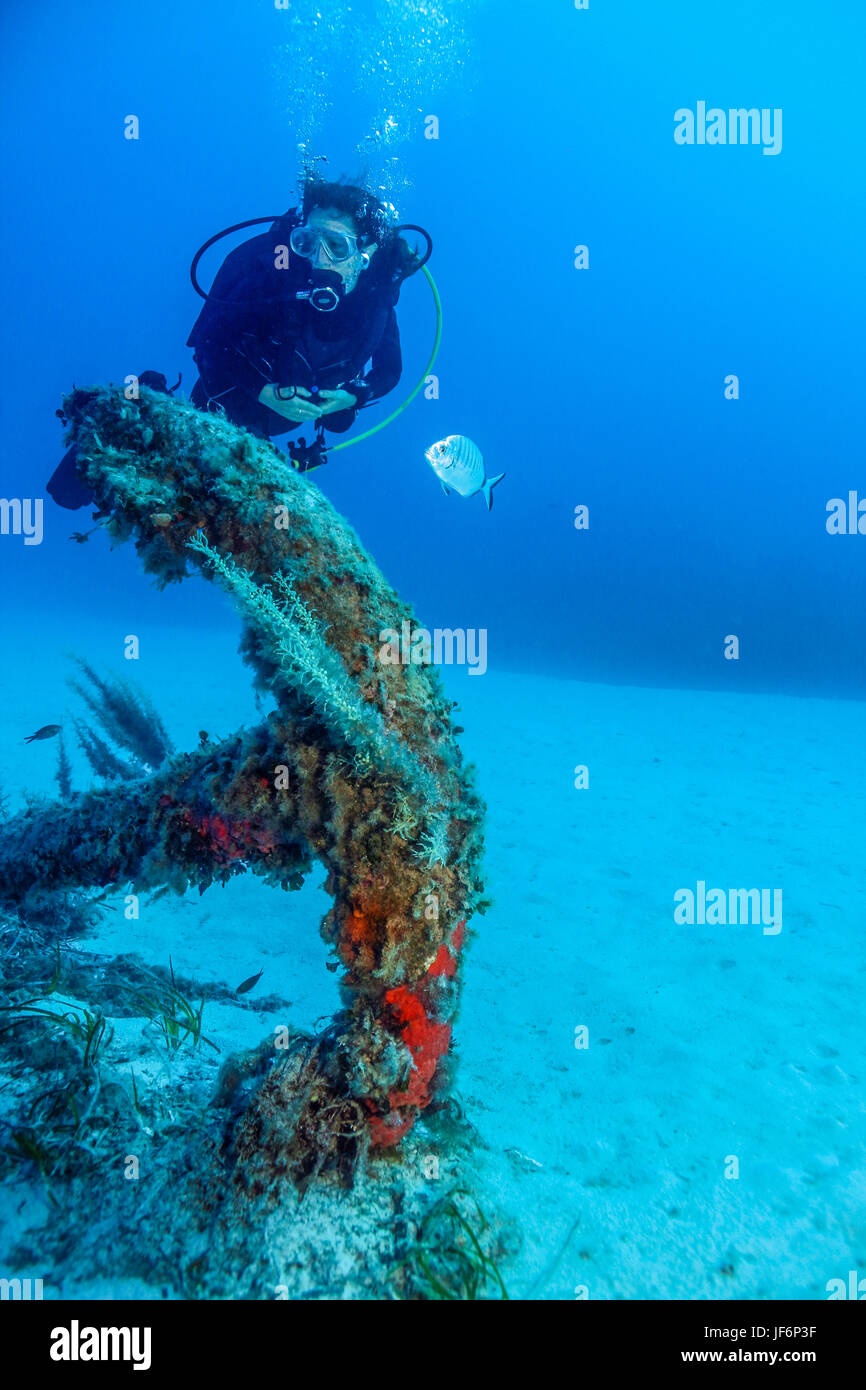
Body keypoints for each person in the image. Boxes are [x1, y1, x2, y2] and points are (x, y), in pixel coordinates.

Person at [187, 177, 408, 443]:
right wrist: (262, 391)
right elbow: (209, 343)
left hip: (277, 426)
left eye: (337, 246)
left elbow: (390, 370)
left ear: (366, 252)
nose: (318, 257)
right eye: (308, 242)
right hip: (217, 404)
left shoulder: (376, 304)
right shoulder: (274, 280)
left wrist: (353, 396)